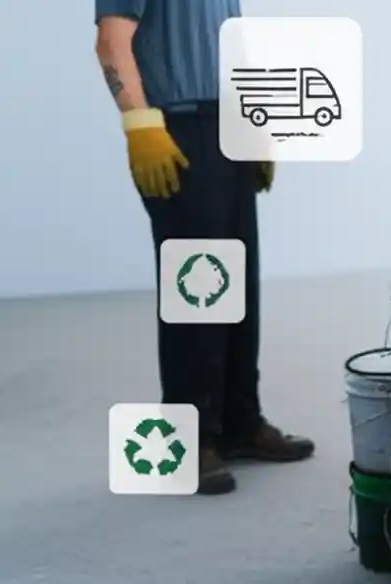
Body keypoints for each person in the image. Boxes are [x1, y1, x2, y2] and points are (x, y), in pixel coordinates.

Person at [95, 0, 314, 495]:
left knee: (237, 280)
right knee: (198, 288)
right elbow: (111, 41)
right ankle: (187, 442)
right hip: (177, 130)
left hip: (226, 125)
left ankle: (239, 422)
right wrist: (139, 125)